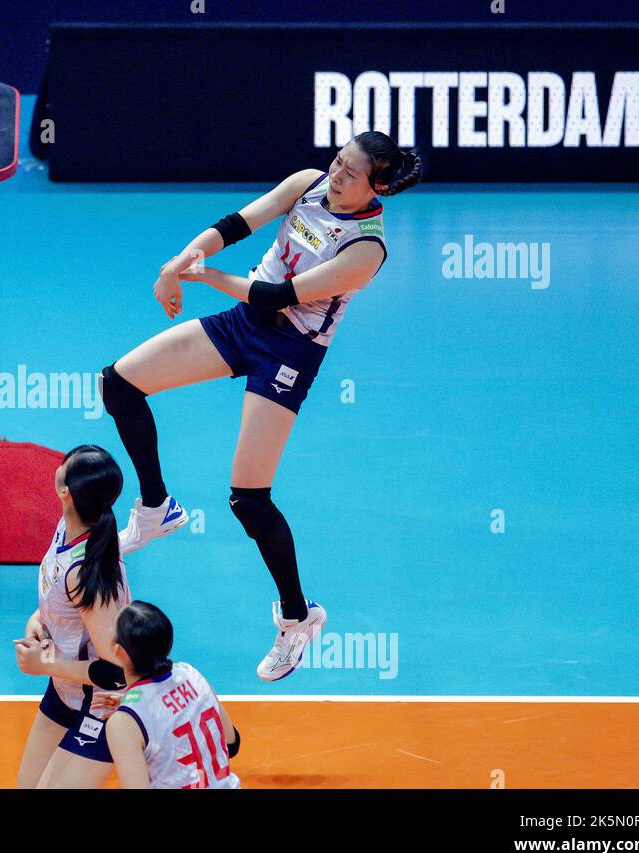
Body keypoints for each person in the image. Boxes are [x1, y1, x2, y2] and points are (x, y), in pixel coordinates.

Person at [100, 132, 423, 681]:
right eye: (337, 161)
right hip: (242, 325)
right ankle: (156, 508)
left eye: (351, 173)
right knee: (119, 383)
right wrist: (178, 263)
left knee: (248, 499)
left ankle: (298, 618)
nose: (336, 174)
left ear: (379, 186)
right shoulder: (307, 184)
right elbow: (235, 225)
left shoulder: (366, 250)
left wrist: (204, 277)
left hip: (288, 349)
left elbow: (276, 296)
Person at [14, 445, 132, 789]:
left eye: (65, 465)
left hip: (100, 704)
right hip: (65, 690)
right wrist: (39, 622)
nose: (59, 465)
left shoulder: (85, 571)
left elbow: (114, 672)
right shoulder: (67, 529)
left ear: (65, 491)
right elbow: (61, 603)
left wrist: (43, 665)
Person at [103, 601, 241, 789]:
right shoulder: (190, 673)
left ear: (119, 651)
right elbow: (232, 743)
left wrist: (128, 718)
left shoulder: (123, 722)